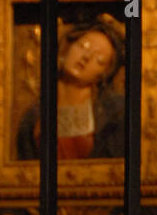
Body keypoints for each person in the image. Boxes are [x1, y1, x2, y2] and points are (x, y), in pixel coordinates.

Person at [17, 14, 125, 160]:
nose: (86, 57)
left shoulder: (114, 113)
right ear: (67, 48)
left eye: (99, 60)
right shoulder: (33, 115)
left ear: (104, 74)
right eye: (83, 46)